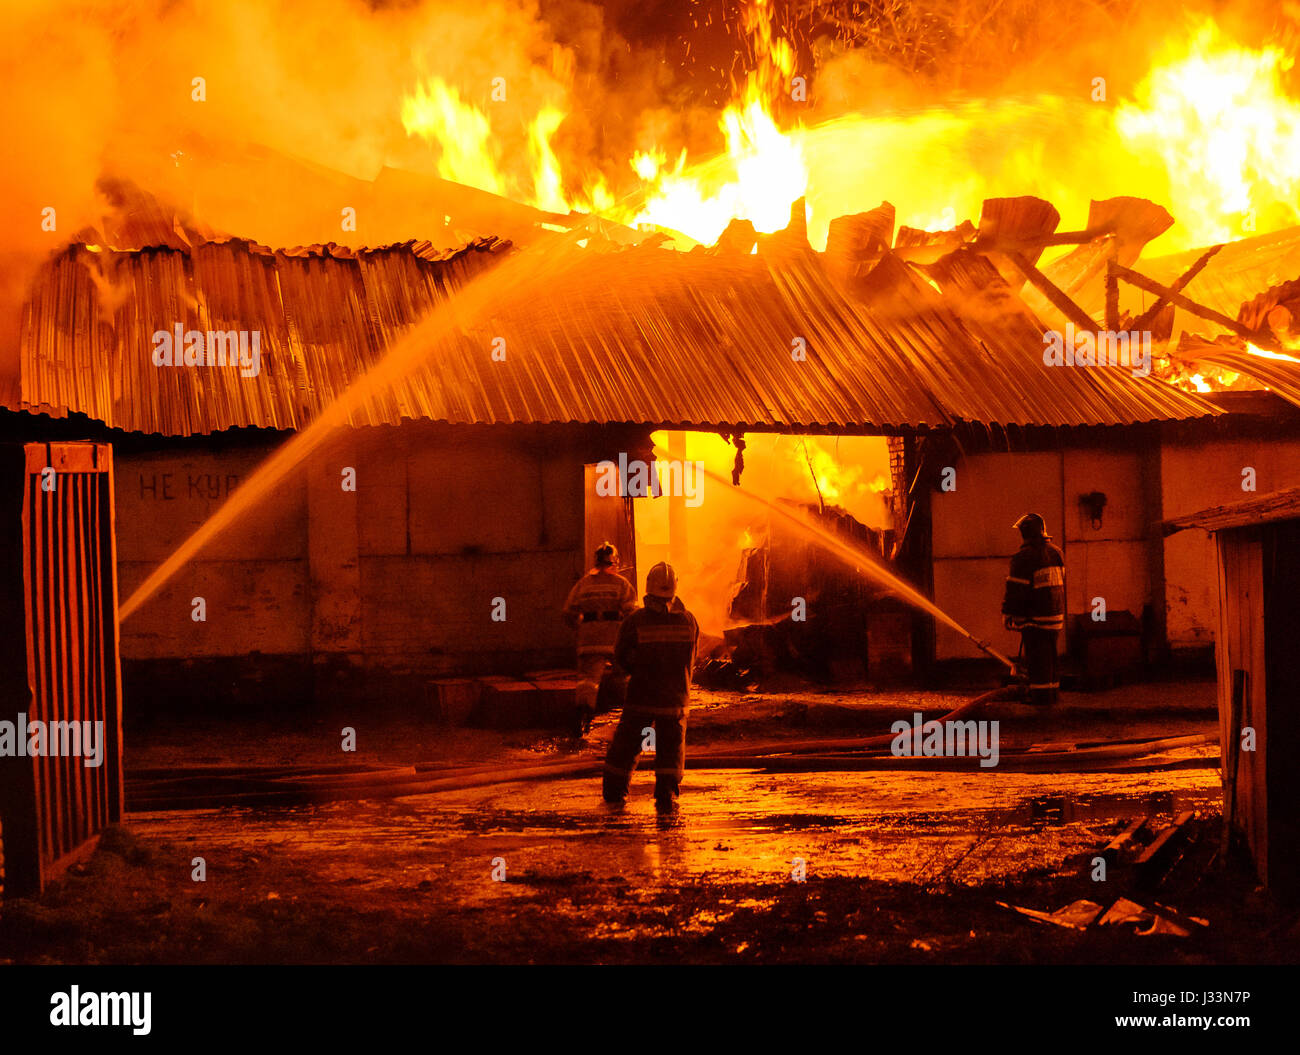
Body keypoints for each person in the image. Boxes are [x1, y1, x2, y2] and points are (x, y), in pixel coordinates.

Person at [603, 562, 699, 810]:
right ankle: (666, 796)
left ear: (648, 587)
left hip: (641, 698)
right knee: (671, 750)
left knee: (625, 748)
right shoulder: (689, 621)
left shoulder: (636, 621)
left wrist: (635, 669)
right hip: (675, 700)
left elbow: (621, 657)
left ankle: (615, 795)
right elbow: (692, 658)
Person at [562, 542, 637, 736]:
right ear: (614, 562)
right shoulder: (621, 584)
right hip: (615, 638)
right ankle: (632, 719)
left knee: (588, 681)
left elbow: (568, 612)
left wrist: (582, 627)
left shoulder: (584, 584)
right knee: (627, 676)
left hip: (590, 640)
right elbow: (632, 614)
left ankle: (582, 717)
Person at [1001, 512, 1066, 706]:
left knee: (1038, 660)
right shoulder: (1057, 553)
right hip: (1055, 615)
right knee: (1051, 658)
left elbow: (1016, 590)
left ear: (1025, 533)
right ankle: (1053, 694)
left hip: (1035, 618)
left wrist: (1009, 613)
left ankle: (1040, 698)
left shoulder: (1023, 557)